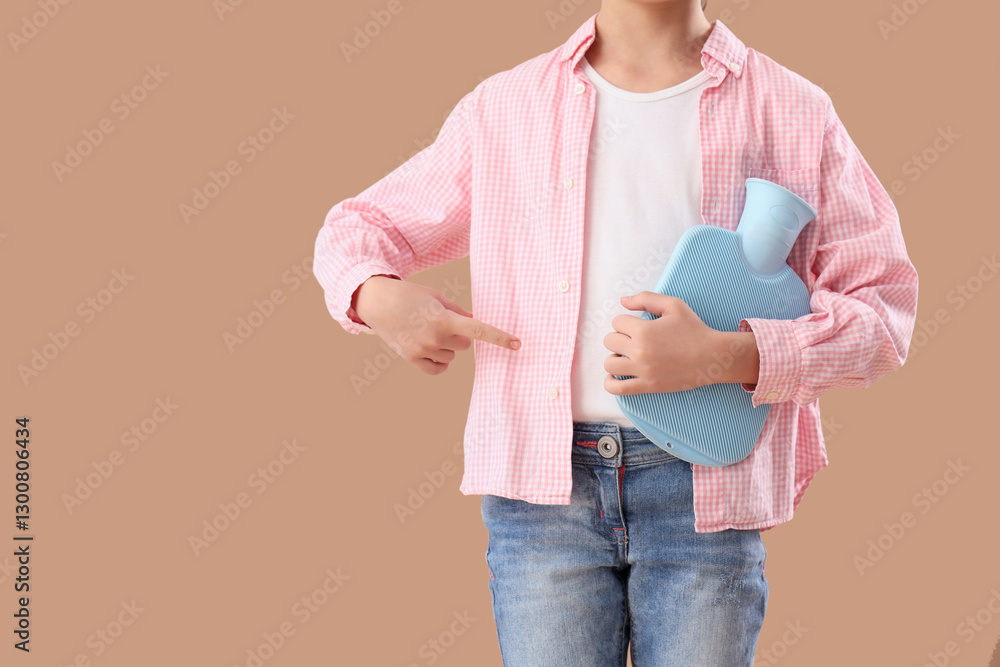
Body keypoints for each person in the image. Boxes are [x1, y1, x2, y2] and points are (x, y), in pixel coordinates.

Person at [312, 0, 919, 664]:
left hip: (705, 496)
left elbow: (882, 306)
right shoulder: (505, 109)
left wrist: (731, 356)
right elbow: (357, 230)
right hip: (544, 499)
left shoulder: (792, 110)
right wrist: (377, 297)